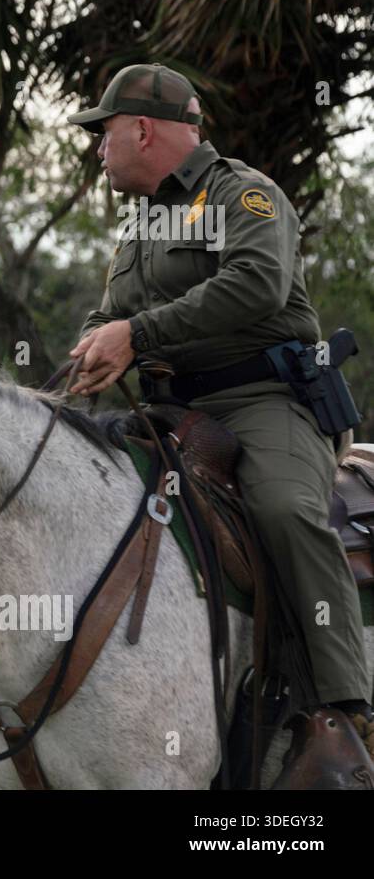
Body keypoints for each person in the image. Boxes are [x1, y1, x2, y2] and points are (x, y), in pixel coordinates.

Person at [66, 63, 371, 752]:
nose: (98, 149)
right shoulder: (140, 224)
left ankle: (348, 712)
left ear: (142, 129)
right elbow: (110, 313)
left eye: (103, 133)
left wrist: (137, 335)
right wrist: (88, 349)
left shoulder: (244, 194)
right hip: (169, 410)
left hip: (260, 401)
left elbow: (258, 284)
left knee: (285, 513)